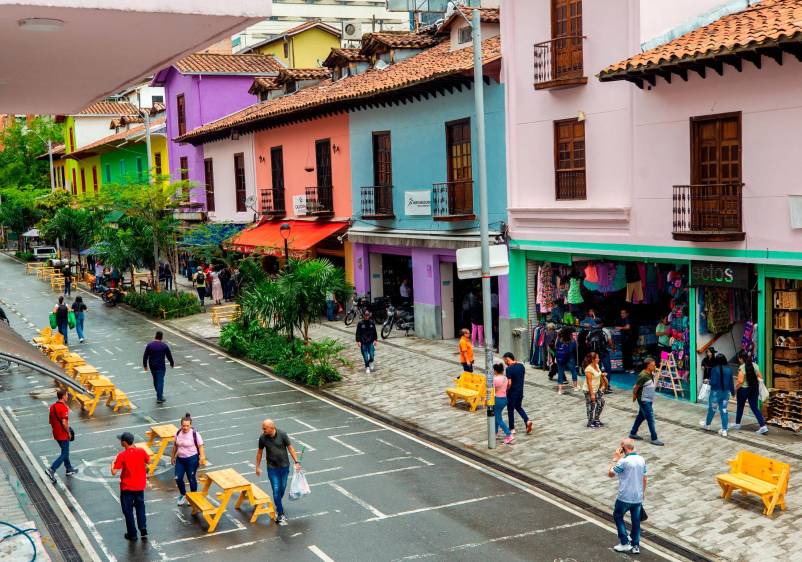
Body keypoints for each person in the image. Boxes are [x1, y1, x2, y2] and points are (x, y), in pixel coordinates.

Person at [255, 419, 301, 526]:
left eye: (265, 428)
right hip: (272, 468)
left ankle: (277, 503)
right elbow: (259, 453)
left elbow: (290, 448)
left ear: (272, 428)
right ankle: (280, 513)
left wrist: (296, 461)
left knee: (282, 488)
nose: (263, 430)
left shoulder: (282, 434)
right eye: (263, 428)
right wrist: (257, 467)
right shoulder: (262, 438)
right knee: (276, 490)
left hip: (284, 467)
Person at [608, 438, 647, 554]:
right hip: (638, 496)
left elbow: (610, 474)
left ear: (623, 448)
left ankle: (624, 542)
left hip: (625, 496)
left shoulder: (623, 461)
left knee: (617, 515)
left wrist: (615, 459)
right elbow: (645, 478)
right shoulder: (641, 459)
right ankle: (635, 545)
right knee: (636, 521)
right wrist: (642, 492)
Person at [111, 432, 149, 541]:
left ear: (124, 443)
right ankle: (143, 528)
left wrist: (112, 463)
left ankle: (132, 533)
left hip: (127, 488)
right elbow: (148, 461)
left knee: (128, 511)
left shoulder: (122, 455)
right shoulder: (141, 451)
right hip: (140, 486)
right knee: (140, 507)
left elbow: (114, 472)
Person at [171, 413, 206, 506]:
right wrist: (172, 456)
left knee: (191, 478)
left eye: (187, 426)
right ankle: (183, 494)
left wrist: (202, 457)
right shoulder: (178, 433)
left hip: (192, 459)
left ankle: (193, 496)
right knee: (178, 478)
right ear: (181, 425)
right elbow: (175, 446)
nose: (185, 427)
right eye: (183, 426)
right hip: (180, 459)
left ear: (190, 425)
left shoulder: (195, 434)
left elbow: (200, 446)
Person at [629, 357, 664, 445]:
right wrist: (634, 396)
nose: (654, 366)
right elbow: (636, 387)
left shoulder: (651, 373)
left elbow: (657, 376)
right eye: (653, 365)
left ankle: (633, 432)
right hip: (644, 400)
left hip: (649, 398)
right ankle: (654, 438)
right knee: (650, 418)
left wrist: (658, 371)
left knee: (641, 416)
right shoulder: (643, 375)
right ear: (648, 366)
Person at [733, 350, 769, 434]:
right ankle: (763, 426)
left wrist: (735, 389)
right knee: (754, 407)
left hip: (743, 390)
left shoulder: (741, 368)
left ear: (741, 359)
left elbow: (740, 381)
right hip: (754, 389)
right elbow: (760, 377)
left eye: (739, 358)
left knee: (740, 407)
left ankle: (737, 424)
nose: (739, 360)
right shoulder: (755, 365)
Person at [45, 389, 76, 482]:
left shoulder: (52, 407)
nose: (67, 396)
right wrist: (68, 432)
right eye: (66, 395)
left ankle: (69, 468)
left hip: (56, 433)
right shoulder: (63, 408)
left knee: (64, 451)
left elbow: (50, 421)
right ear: (63, 396)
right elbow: (64, 422)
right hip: (63, 434)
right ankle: (52, 469)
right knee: (65, 453)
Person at [700, 353, 734, 437]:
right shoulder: (729, 369)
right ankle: (724, 430)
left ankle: (707, 425)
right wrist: (733, 392)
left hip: (715, 394)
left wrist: (708, 381)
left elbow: (714, 382)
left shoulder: (714, 369)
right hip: (725, 393)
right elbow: (731, 382)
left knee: (712, 409)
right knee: (724, 410)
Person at [503, 352, 533, 434]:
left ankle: (512, 429)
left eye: (504, 360)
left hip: (512, 393)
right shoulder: (521, 366)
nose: (504, 362)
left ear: (507, 359)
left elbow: (509, 383)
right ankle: (527, 421)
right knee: (518, 407)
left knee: (510, 410)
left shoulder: (509, 369)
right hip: (520, 391)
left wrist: (506, 390)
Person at [143, 331, 174, 404]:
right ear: (161, 337)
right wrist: (171, 363)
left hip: (152, 366)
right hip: (161, 366)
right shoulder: (164, 346)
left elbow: (145, 356)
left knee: (155, 380)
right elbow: (169, 355)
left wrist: (145, 365)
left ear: (155, 336)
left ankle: (159, 394)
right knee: (160, 381)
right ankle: (159, 397)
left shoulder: (149, 345)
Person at [582, 352, 607, 428]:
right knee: (591, 405)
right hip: (588, 390)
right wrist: (592, 394)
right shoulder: (588, 369)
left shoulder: (597, 365)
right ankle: (590, 422)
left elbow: (599, 374)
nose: (598, 359)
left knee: (601, 402)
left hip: (596, 389)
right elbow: (589, 383)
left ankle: (596, 419)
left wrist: (602, 375)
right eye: (597, 358)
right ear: (593, 359)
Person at [492, 363, 514, 444]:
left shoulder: (495, 379)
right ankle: (495, 432)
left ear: (495, 371)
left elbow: (492, 390)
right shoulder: (505, 378)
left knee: (498, 419)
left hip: (497, 400)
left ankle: (509, 434)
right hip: (504, 399)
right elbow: (508, 386)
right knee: (497, 416)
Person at [555, 327, 578, 394]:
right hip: (570, 358)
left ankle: (560, 390)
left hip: (560, 357)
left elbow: (556, 346)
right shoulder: (572, 340)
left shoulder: (559, 339)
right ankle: (575, 387)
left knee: (560, 372)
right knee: (573, 371)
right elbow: (574, 347)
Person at [618, 308, 636, 373]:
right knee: (625, 354)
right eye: (621, 313)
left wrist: (621, 328)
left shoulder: (627, 319)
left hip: (628, 340)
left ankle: (631, 368)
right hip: (624, 340)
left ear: (627, 314)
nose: (622, 314)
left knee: (628, 354)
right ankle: (628, 368)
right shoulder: (623, 320)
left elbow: (628, 327)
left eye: (623, 313)